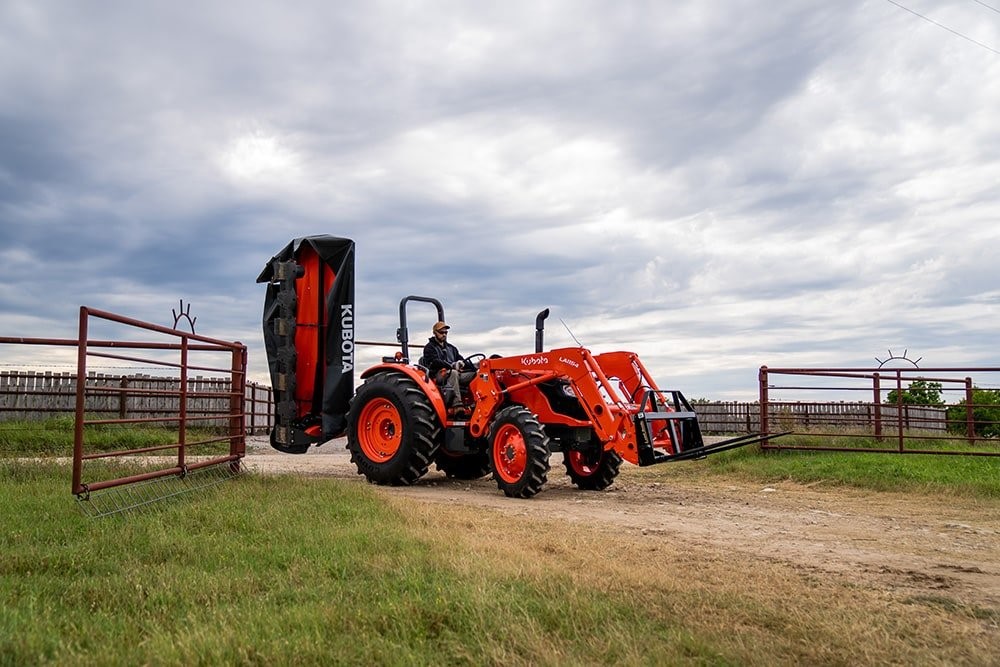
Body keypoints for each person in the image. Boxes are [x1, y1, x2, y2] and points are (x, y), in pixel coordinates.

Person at [422, 320, 476, 412]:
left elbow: (461, 359)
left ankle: (475, 402)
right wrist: (451, 365)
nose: (444, 334)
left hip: (453, 373)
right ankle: (457, 405)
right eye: (441, 332)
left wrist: (473, 366)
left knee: (475, 375)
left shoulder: (452, 348)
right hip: (438, 374)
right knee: (453, 373)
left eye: (446, 332)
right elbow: (434, 362)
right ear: (435, 333)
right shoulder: (429, 348)